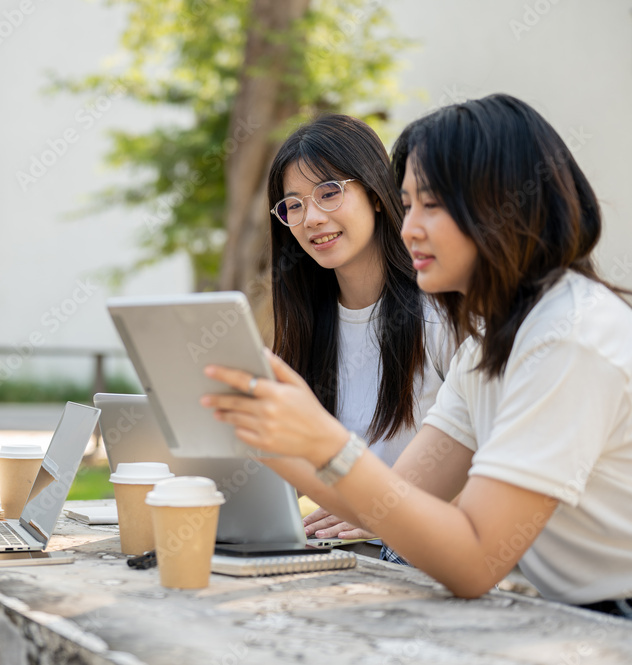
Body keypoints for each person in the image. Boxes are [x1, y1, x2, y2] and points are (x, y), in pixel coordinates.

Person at [203, 94, 632, 617]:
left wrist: (324, 439)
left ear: (504, 205)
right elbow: (386, 501)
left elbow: (475, 559)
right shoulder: (489, 344)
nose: (408, 228)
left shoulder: (569, 335)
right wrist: (265, 435)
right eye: (407, 205)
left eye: (431, 204)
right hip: (565, 613)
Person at [266, 114, 455, 544]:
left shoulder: (441, 314)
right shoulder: (306, 322)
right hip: (340, 555)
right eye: (293, 204)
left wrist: (384, 513)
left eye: (328, 193)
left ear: (374, 193)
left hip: (424, 555)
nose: (310, 217)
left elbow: (485, 461)